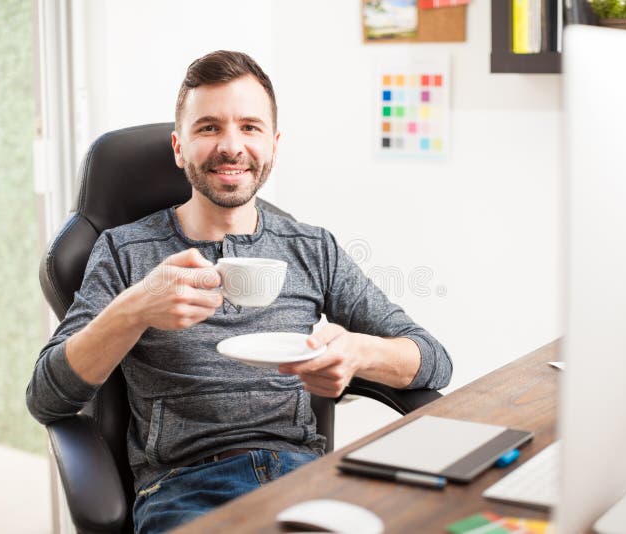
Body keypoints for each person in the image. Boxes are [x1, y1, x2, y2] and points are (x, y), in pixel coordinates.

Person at [26, 50, 451, 532]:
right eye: (208, 128)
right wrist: (135, 308)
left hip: (306, 479)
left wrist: (359, 353)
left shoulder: (312, 248)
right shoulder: (125, 251)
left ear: (273, 144)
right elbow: (46, 399)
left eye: (250, 127)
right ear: (178, 147)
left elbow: (433, 359)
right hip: (185, 490)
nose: (232, 146)